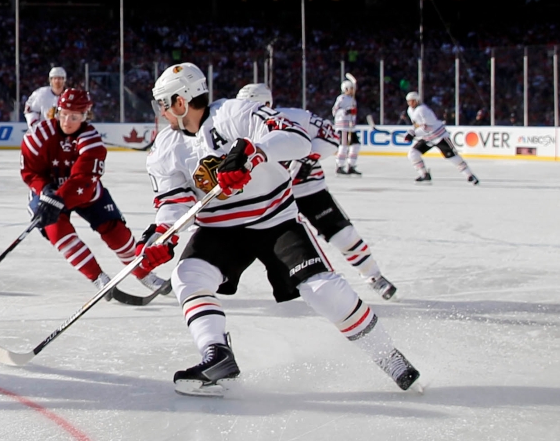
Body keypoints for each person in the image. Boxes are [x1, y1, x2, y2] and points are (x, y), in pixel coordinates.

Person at [144, 64, 420, 396]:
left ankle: (388, 356)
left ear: (180, 102)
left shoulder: (235, 112)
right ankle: (216, 355)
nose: (161, 111)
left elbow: (296, 140)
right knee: (187, 276)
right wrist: (162, 234)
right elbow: (173, 201)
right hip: (219, 229)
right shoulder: (166, 147)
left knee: (322, 289)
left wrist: (253, 152)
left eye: (163, 103)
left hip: (273, 219)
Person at [235, 84, 396, 300]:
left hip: (307, 189)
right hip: (268, 196)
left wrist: (307, 159)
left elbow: (330, 137)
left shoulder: (295, 117)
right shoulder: (233, 126)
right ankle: (199, 277)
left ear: (266, 104)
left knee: (343, 234)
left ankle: (374, 276)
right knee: (234, 240)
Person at [20, 86, 165, 297]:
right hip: (47, 193)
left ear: (85, 116)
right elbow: (29, 171)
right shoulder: (39, 136)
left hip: (84, 193)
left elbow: (84, 178)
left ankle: (143, 273)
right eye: (64, 114)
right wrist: (44, 189)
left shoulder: (91, 140)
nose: (67, 121)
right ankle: (98, 277)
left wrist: (58, 197)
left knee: (116, 231)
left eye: (75, 117)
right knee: (56, 230)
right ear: (57, 111)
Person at [404, 90, 479, 185]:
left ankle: (469, 175)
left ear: (416, 100)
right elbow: (417, 125)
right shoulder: (410, 111)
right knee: (413, 154)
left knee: (452, 156)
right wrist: (411, 132)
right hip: (428, 137)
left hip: (439, 136)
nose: (410, 103)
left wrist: (414, 134)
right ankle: (424, 175)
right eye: (408, 101)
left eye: (412, 100)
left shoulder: (423, 110)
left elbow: (428, 126)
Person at [332, 74, 362, 174]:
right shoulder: (342, 98)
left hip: (351, 127)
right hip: (343, 126)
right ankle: (339, 166)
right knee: (344, 145)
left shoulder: (353, 100)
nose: (353, 90)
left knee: (356, 145)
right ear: (345, 88)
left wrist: (352, 113)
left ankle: (351, 165)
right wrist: (346, 111)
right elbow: (334, 111)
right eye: (351, 88)